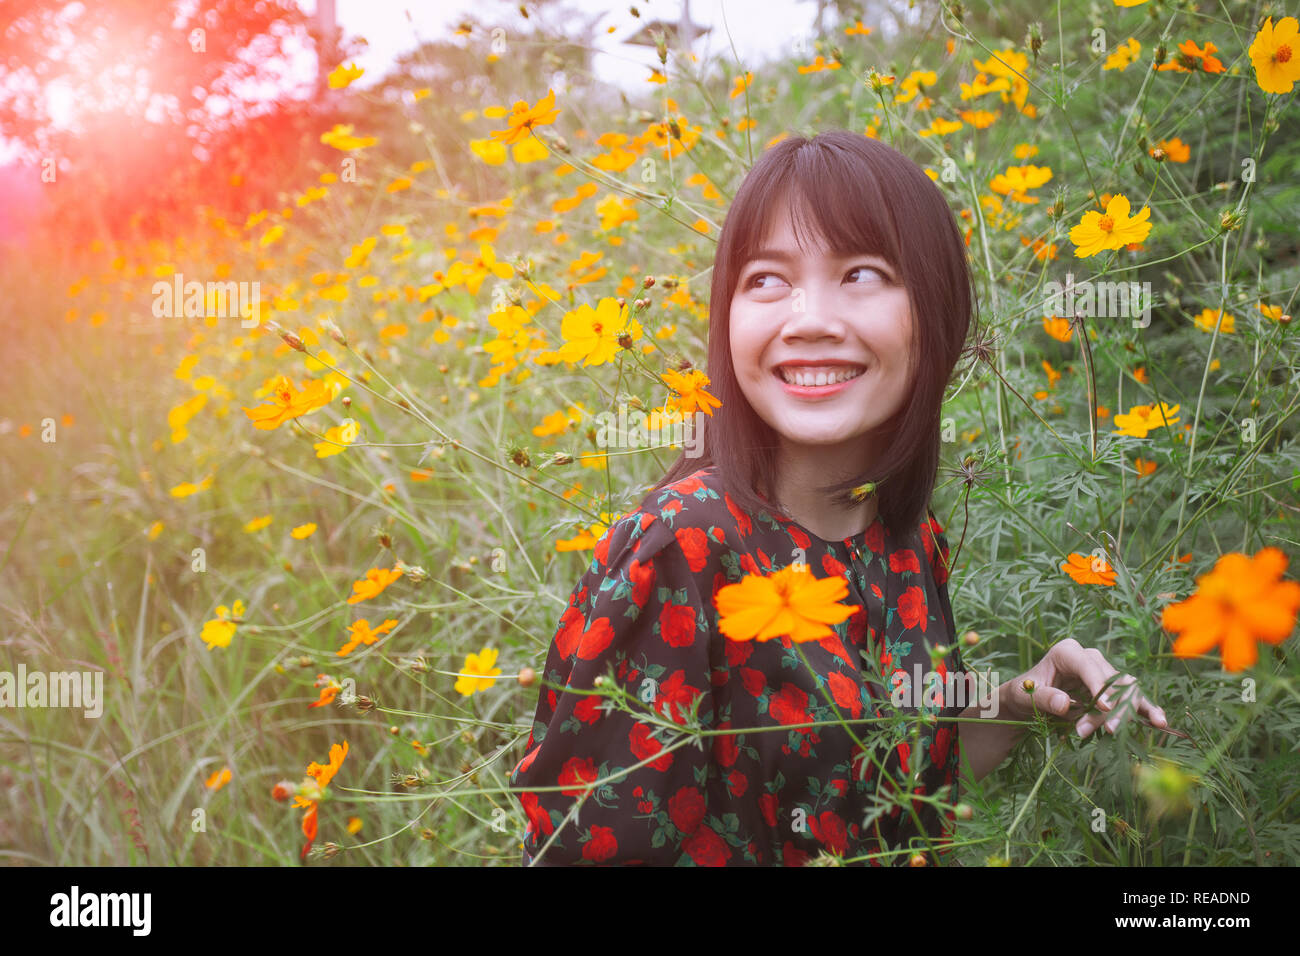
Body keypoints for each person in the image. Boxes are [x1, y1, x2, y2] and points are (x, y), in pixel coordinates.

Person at [509, 129, 1167, 866]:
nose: (811, 317)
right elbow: (581, 850)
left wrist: (1014, 703)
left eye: (861, 273)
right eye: (766, 279)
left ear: (937, 314)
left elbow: (896, 803)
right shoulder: (682, 549)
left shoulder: (907, 542)